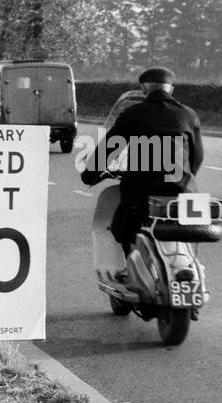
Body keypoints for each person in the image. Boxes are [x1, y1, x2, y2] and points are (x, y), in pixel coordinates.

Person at [84, 66, 203, 265]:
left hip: (141, 196)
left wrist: (89, 174)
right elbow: (197, 156)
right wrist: (183, 178)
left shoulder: (133, 114)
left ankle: (130, 270)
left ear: (144, 89)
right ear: (170, 89)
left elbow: (109, 149)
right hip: (182, 194)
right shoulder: (188, 115)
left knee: (121, 229)